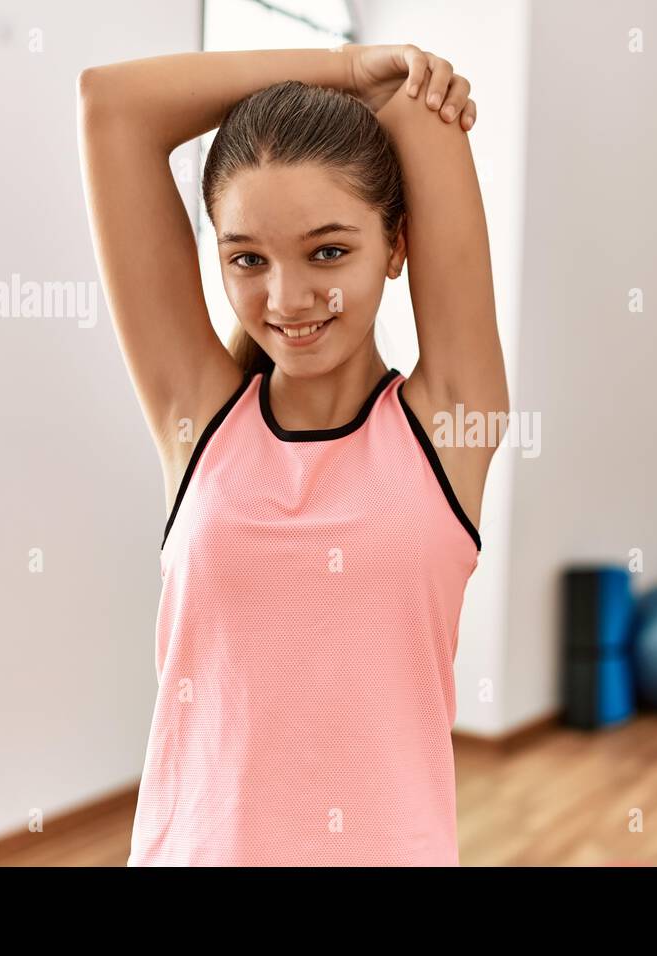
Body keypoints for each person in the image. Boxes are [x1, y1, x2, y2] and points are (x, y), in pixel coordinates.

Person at [76, 43, 508, 865]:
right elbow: (112, 104)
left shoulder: (451, 426)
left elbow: (421, 108)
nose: (287, 298)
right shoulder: (198, 419)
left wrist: (402, 84)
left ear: (396, 247)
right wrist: (344, 70)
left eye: (328, 252)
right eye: (247, 259)